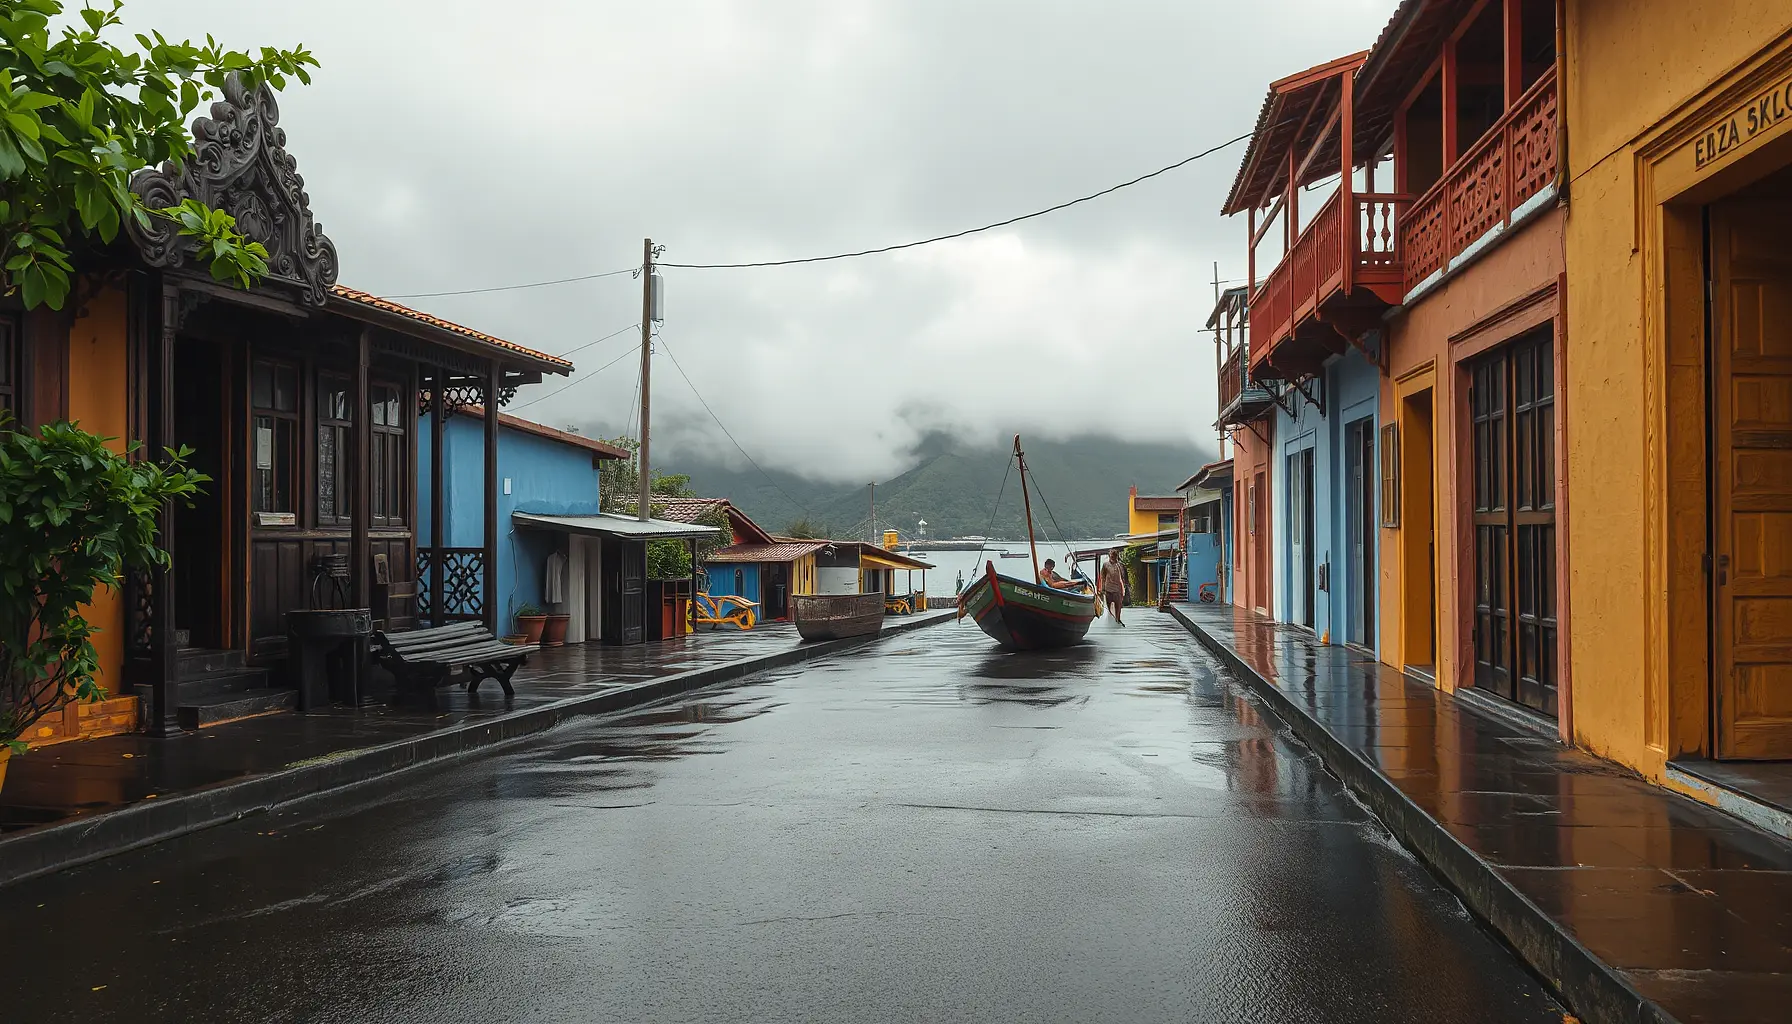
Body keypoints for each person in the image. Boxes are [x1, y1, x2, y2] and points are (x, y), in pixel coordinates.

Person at [1099, 548, 1127, 626]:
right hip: (1108, 589)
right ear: (1109, 556)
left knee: (1118, 608)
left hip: (1118, 589)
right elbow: (1102, 577)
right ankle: (1110, 622)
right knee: (1109, 609)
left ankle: (1118, 620)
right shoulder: (1105, 565)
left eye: (1114, 556)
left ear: (1116, 556)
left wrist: (1123, 588)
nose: (1113, 558)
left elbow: (1122, 577)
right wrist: (1102, 588)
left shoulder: (1120, 565)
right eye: (1111, 556)